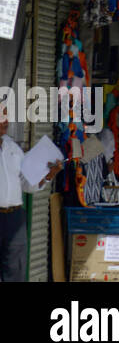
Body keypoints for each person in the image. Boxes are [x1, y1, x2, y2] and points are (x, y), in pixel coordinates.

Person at [0, 109, 61, 281]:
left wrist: (48, 176)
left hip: (14, 217)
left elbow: (27, 184)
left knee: (16, 271)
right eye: (1, 116)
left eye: (7, 115)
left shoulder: (13, 148)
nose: (6, 121)